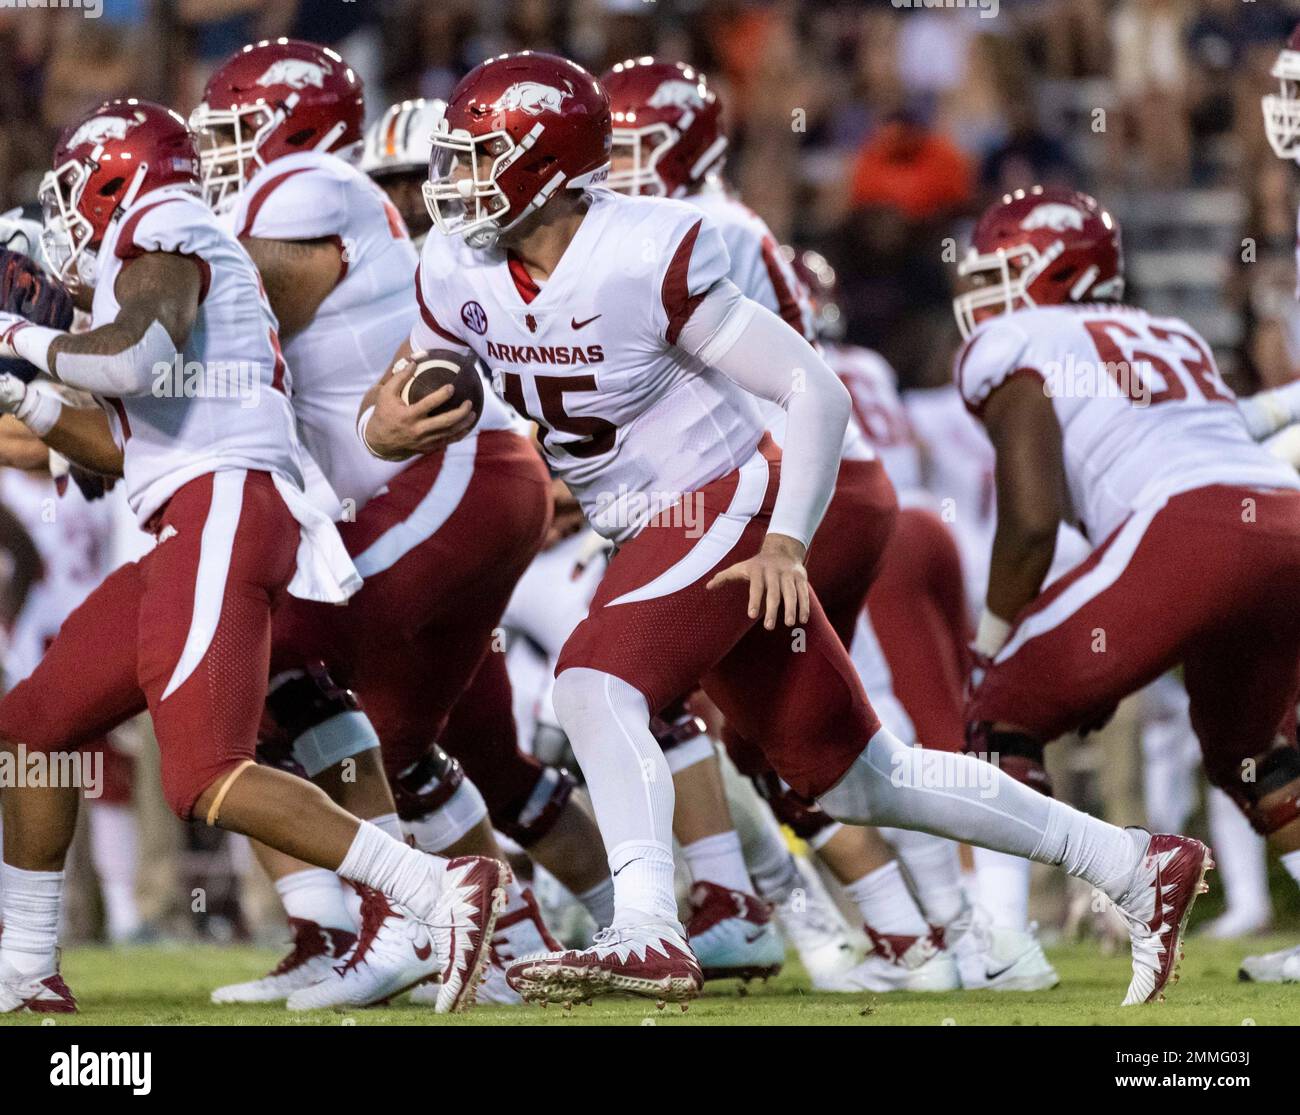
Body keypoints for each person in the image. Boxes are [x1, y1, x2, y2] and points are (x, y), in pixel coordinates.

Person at [364, 51, 1210, 1009]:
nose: (457, 180)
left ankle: (647, 928)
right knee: (860, 777)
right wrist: (379, 430)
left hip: (717, 494)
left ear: (550, 163)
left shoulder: (650, 247)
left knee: (594, 683)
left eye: (483, 154)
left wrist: (788, 539)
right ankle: (1135, 861)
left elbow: (813, 388)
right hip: (640, 519)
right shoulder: (453, 263)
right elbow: (406, 395)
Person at [0, 99, 504, 1014]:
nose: (68, 216)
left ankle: (435, 892)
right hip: (194, 507)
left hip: (227, 507)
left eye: (77, 191)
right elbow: (133, 441)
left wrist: (16, 338)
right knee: (35, 723)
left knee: (205, 773)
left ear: (116, 178)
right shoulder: (150, 263)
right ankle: (26, 966)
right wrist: (29, 401)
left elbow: (134, 362)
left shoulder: (165, 224)